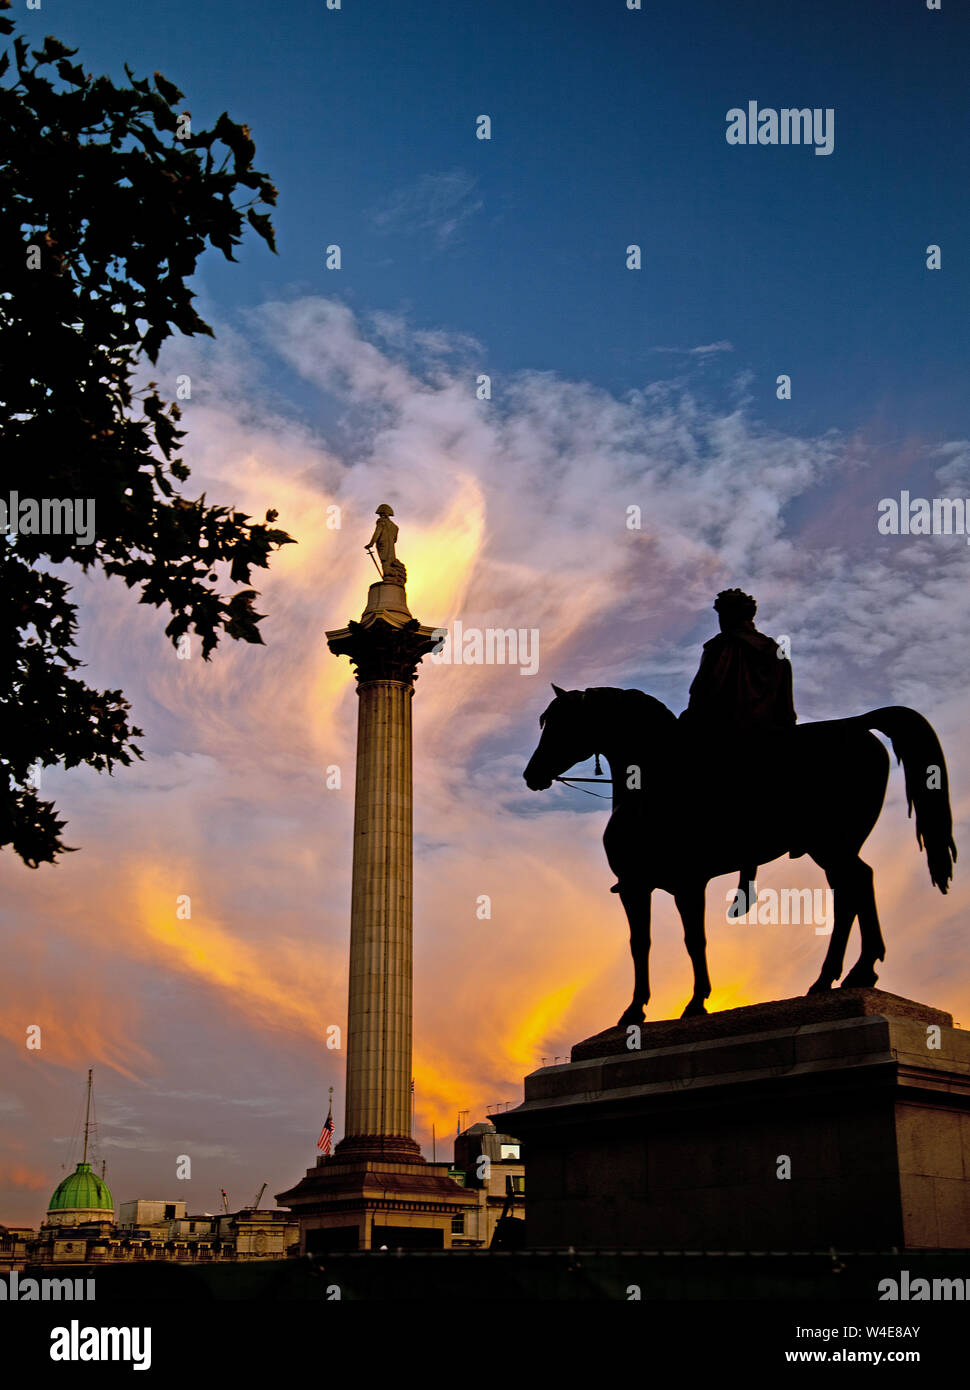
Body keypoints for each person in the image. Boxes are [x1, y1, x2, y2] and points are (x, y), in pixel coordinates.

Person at [681, 590, 796, 915]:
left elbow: (704, 692)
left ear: (727, 616)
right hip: (770, 737)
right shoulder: (775, 651)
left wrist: (686, 723)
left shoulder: (721, 647)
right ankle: (748, 878)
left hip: (726, 736)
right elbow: (786, 703)